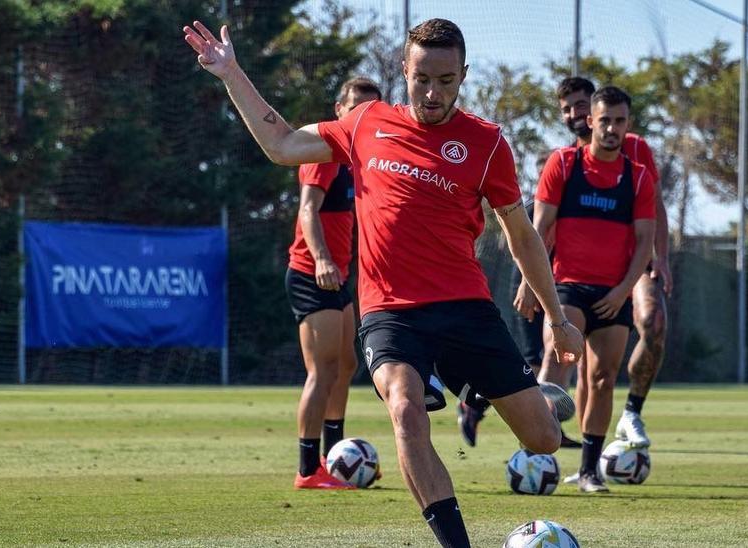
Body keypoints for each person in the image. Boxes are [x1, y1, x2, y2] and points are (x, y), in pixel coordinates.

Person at [184, 17, 583, 547]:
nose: (432, 92)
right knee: (404, 407)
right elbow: (281, 144)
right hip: (389, 311)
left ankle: (534, 397)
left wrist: (557, 319)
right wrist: (232, 73)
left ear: (463, 75)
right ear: (404, 70)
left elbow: (522, 234)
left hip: (465, 307)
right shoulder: (365, 121)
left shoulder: (486, 143)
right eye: (422, 78)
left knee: (543, 440)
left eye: (446, 80)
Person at [521, 86, 656, 493]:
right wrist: (530, 283)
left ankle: (589, 471)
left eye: (619, 121)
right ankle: (536, 456)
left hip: (612, 294)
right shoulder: (563, 164)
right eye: (605, 120)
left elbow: (645, 242)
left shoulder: (638, 178)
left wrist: (623, 291)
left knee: (601, 379)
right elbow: (539, 230)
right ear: (590, 121)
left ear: (627, 125)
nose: (611, 128)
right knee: (558, 355)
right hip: (567, 288)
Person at [287, 78, 382, 489]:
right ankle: (308, 470)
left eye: (370, 109)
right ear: (339, 109)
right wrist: (323, 259)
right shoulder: (325, 151)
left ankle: (335, 457)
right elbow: (308, 210)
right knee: (322, 370)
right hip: (313, 273)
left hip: (340, 277)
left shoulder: (361, 156)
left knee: (346, 365)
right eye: (355, 107)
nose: (362, 116)